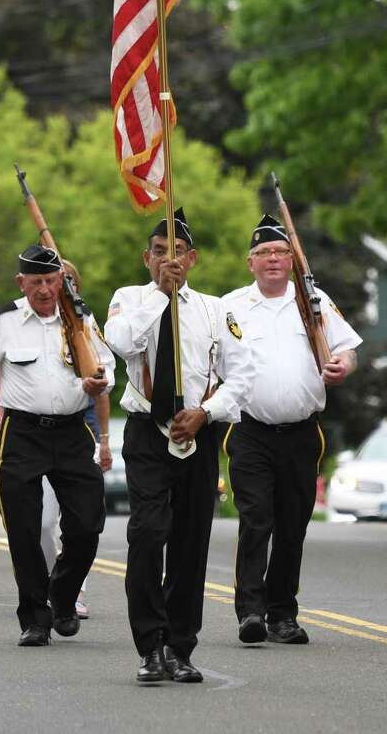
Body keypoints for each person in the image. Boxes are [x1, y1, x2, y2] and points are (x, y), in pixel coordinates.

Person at [104, 208, 259, 684]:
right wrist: (160, 297)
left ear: (192, 258)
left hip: (198, 431)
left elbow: (243, 375)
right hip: (148, 432)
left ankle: (180, 645)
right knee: (149, 535)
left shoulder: (216, 309)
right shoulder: (129, 300)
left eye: (175, 254)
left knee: (191, 543)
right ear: (145, 258)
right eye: (157, 253)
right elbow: (120, 343)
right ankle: (149, 644)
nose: (166, 261)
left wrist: (205, 414)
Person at [0, 244, 115, 645]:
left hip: (71, 432)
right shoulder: (3, 322)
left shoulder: (80, 317)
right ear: (22, 283)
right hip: (23, 434)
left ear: (61, 280)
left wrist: (99, 381)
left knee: (86, 525)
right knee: (24, 528)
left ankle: (63, 597)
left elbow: (106, 366)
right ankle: (35, 617)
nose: (45, 290)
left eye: (51, 281)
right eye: (36, 283)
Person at [209, 214, 361, 647]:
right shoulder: (230, 306)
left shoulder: (312, 301)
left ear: (292, 260)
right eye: (263, 253)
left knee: (293, 525)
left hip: (301, 433)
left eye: (280, 252)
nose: (273, 259)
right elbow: (208, 358)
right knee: (257, 520)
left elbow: (348, 350)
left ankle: (283, 614)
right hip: (251, 431)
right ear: (249, 262)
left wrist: (340, 367)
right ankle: (250, 612)